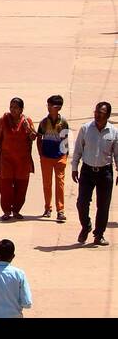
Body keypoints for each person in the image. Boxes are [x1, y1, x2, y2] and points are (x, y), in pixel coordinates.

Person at [71, 101, 117, 246]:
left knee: (103, 205)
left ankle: (99, 235)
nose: (97, 115)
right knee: (82, 203)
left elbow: (117, 154)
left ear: (108, 115)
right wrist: (74, 167)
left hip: (105, 173)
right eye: (96, 112)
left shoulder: (114, 132)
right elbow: (78, 149)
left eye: (101, 113)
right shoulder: (85, 128)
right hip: (87, 171)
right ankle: (86, 226)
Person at [0, 97, 37, 221]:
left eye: (16, 107)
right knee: (5, 188)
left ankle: (16, 210)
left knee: (21, 188)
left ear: (21, 109)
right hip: (6, 161)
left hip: (22, 161)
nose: (13, 110)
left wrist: (27, 128)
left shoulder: (27, 121)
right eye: (11, 107)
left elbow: (33, 137)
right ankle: (6, 211)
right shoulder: (3, 120)